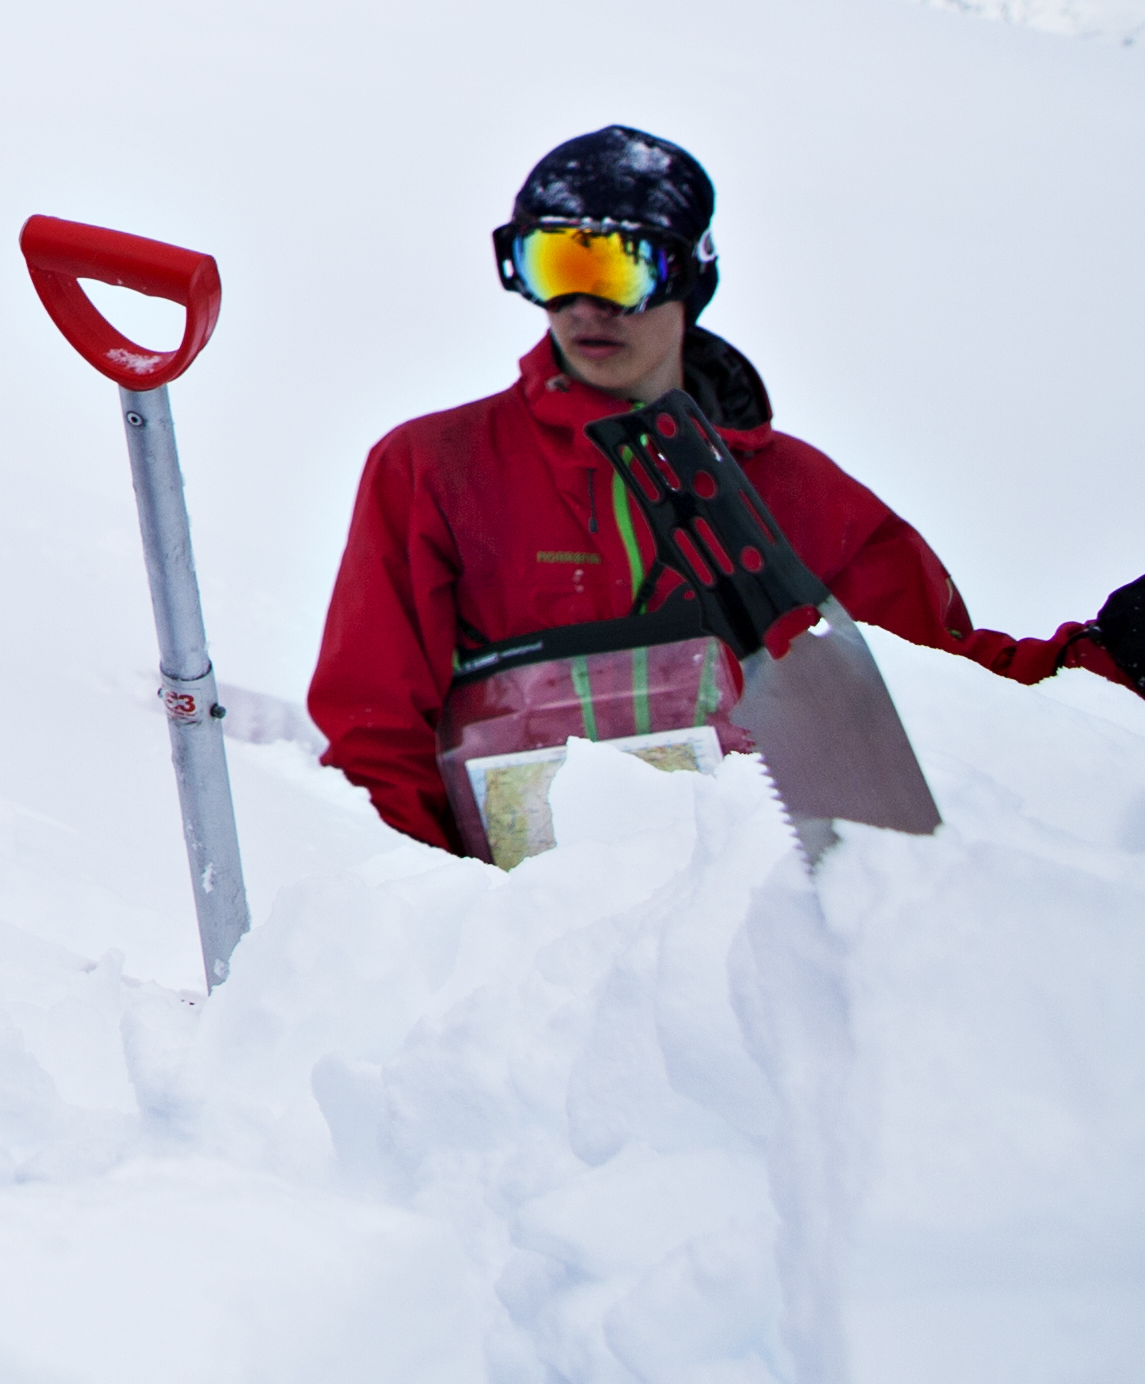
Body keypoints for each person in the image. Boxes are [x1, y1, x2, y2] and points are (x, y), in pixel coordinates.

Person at [306, 123, 1139, 853]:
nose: (585, 304)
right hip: (516, 963)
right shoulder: (435, 468)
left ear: (689, 275)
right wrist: (426, 928)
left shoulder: (803, 499)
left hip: (724, 963)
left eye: (623, 265)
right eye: (555, 261)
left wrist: (1109, 661)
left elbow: (942, 693)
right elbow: (374, 732)